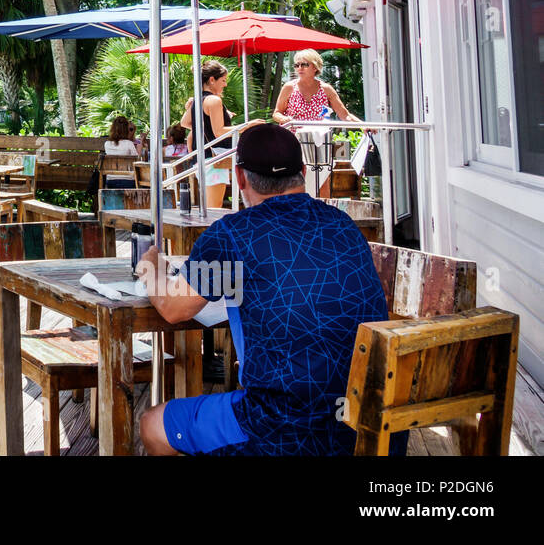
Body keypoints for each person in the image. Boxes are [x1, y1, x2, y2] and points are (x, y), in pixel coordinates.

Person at [136, 122, 390, 456]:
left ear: (239, 177)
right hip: (367, 422)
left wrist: (150, 263)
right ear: (302, 171)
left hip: (281, 431)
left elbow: (173, 308)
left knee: (153, 425)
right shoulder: (343, 224)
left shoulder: (230, 234)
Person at [180, 61, 236, 209]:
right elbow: (219, 132)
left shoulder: (197, 100)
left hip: (202, 159)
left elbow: (185, 122)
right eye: (223, 80)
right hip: (214, 159)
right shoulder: (214, 100)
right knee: (214, 208)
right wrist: (247, 126)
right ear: (212, 79)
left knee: (209, 207)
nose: (225, 85)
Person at [271, 49, 361, 125]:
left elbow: (345, 115)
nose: (300, 68)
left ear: (315, 67)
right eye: (296, 65)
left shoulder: (326, 89)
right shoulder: (289, 87)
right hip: (293, 140)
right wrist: (285, 119)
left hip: (319, 140)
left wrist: (361, 125)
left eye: (304, 65)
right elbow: (277, 113)